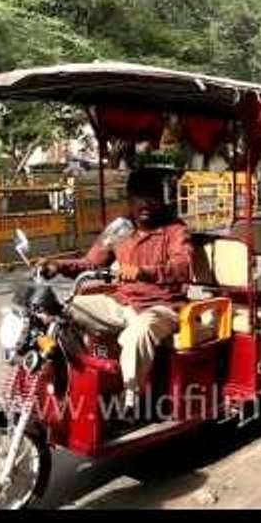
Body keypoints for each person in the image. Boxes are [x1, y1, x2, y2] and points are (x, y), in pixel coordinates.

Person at [39, 167, 194, 414]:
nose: (145, 204)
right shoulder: (120, 228)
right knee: (64, 311)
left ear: (161, 199)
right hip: (122, 302)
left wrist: (144, 271)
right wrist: (58, 265)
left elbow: (182, 266)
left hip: (161, 307)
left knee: (136, 335)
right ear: (129, 200)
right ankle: (74, 373)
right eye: (138, 197)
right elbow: (91, 262)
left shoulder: (175, 230)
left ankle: (129, 401)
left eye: (152, 197)